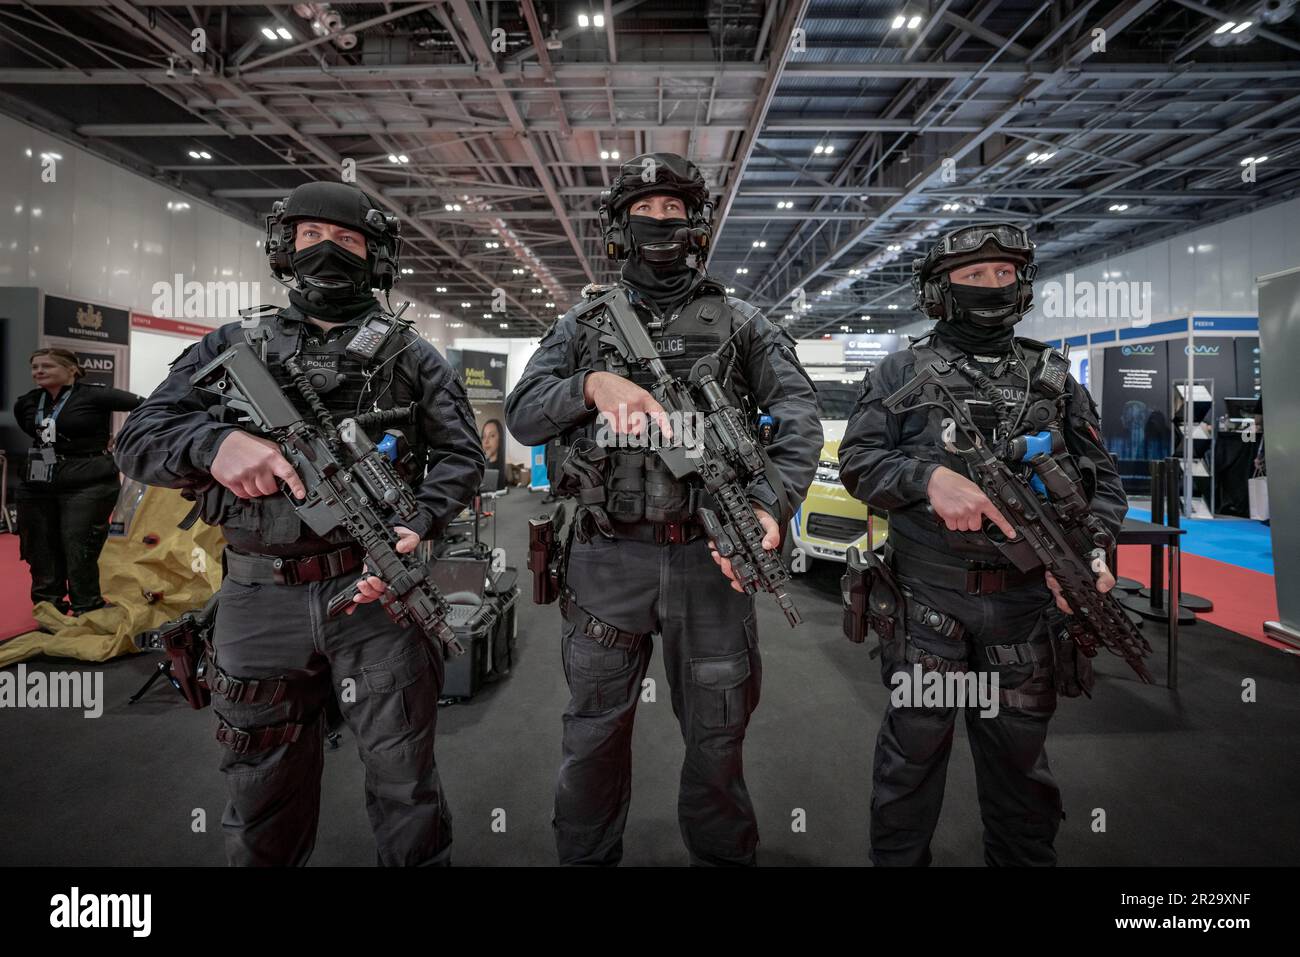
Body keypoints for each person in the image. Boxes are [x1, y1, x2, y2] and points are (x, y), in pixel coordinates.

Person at [113, 181, 485, 866]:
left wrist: (422, 522)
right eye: (312, 237)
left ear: (375, 255)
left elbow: (463, 459)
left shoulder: (413, 355)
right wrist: (216, 445)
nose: (328, 252)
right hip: (258, 596)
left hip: (376, 593)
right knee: (260, 785)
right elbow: (139, 438)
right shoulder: (234, 343)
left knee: (404, 776)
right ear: (285, 247)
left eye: (347, 240)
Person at [505, 152, 822, 866]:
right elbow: (523, 414)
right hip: (605, 558)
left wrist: (773, 503)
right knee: (592, 735)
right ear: (619, 227)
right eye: (644, 211)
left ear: (697, 225)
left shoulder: (742, 324)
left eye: (673, 211)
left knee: (718, 736)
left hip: (710, 560)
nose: (659, 223)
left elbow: (799, 417)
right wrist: (589, 386)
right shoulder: (581, 325)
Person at [838, 223, 1127, 866]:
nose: (992, 285)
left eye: (1003, 274)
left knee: (1023, 776)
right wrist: (925, 477)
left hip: (1024, 611)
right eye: (973, 275)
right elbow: (858, 463)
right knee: (910, 766)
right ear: (940, 290)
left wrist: (1095, 547)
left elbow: (1103, 479)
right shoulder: (900, 371)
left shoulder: (1052, 376)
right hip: (929, 607)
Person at [13, 348, 142, 615]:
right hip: (38, 482)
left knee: (78, 544)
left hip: (89, 480)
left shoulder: (94, 394)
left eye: (47, 366)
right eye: (35, 366)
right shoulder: (26, 402)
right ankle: (48, 607)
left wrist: (126, 434)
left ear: (71, 369)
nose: (39, 371)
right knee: (40, 546)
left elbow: (147, 405)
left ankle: (88, 607)